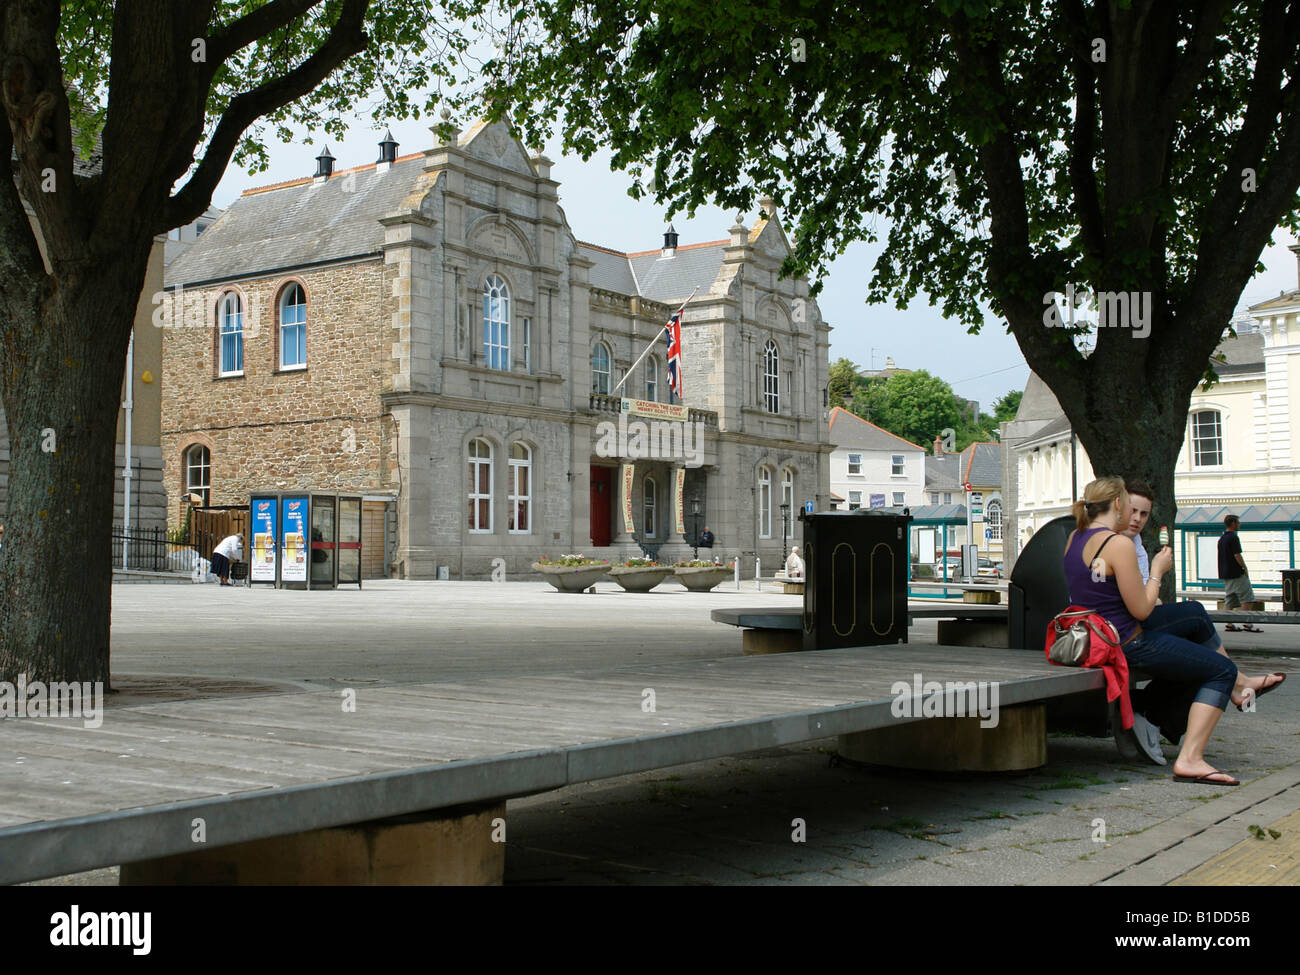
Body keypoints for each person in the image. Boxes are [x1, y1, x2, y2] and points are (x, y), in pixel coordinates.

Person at [1063, 476, 1284, 786]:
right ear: (1116, 505)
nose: (1133, 513)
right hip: (1127, 642)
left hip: (1096, 636)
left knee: (1193, 616)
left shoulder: (1076, 537)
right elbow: (1141, 609)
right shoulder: (1118, 544)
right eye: (1129, 505)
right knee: (1219, 670)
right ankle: (1191, 757)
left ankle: (1233, 689)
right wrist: (1156, 573)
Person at [1219, 515, 1261, 632]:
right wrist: (1244, 567)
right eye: (1238, 522)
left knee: (1230, 600)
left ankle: (1228, 623)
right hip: (1237, 574)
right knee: (1247, 598)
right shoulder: (1233, 537)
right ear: (1233, 523)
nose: (1239, 524)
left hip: (1226, 574)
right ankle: (1247, 623)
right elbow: (1237, 554)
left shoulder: (1222, 539)